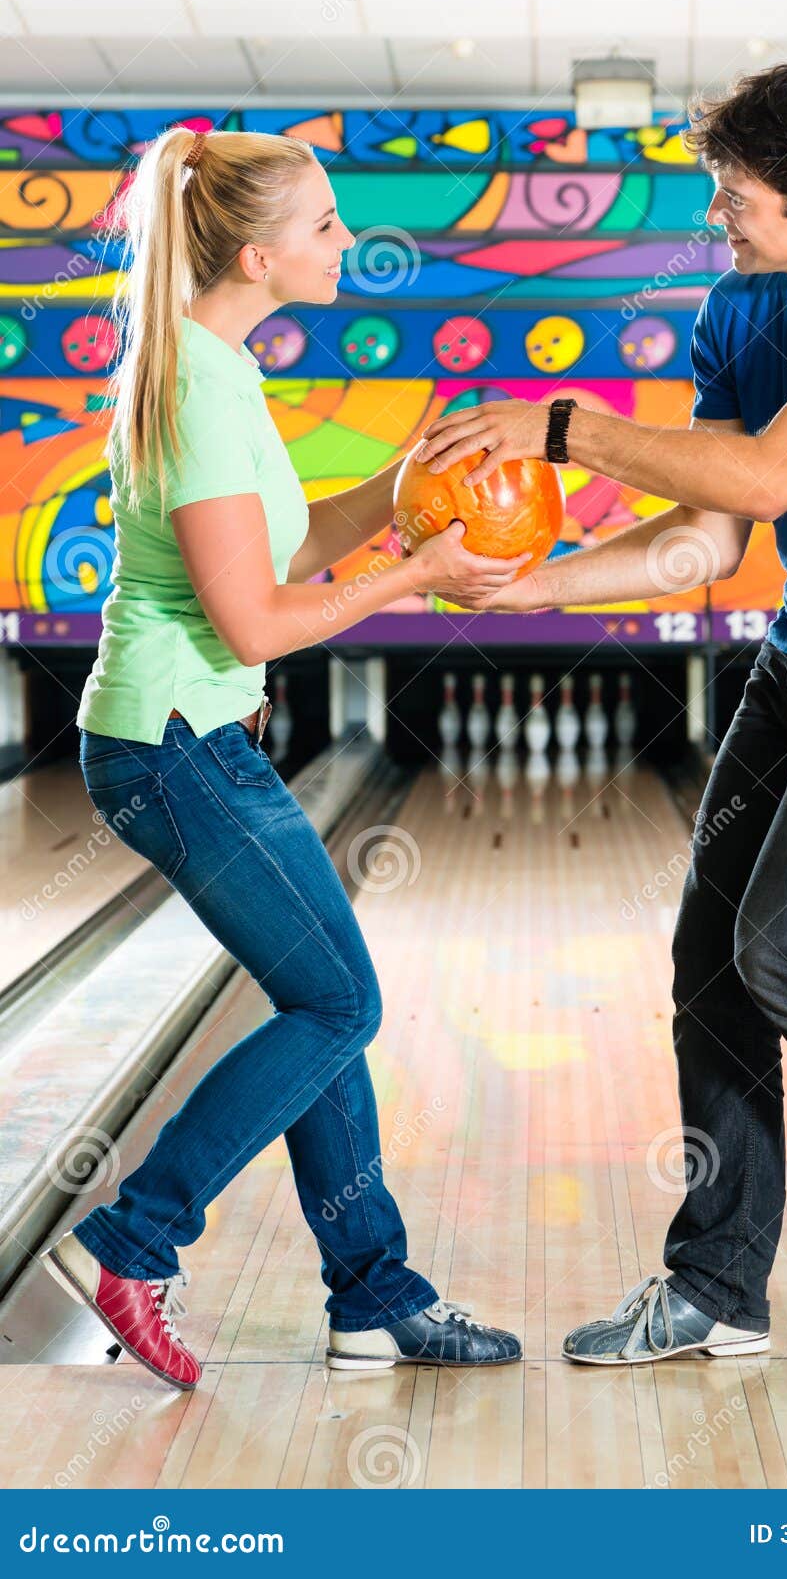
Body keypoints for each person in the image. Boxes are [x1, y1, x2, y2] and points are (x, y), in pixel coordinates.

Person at [418, 56, 787, 1374]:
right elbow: (703, 543)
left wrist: (561, 427)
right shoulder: (740, 310)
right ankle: (716, 1286)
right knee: (711, 960)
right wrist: (532, 592)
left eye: (737, 194)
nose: (718, 214)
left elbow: (774, 465)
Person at [41, 126, 529, 1389]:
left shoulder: (212, 367)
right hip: (174, 748)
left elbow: (289, 545)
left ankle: (373, 1299)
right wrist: (420, 572)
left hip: (193, 742)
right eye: (322, 224)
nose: (341, 241)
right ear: (258, 252)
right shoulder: (201, 389)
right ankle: (140, 1237)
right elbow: (255, 620)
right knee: (339, 1003)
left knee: (326, 1010)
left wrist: (400, 488)